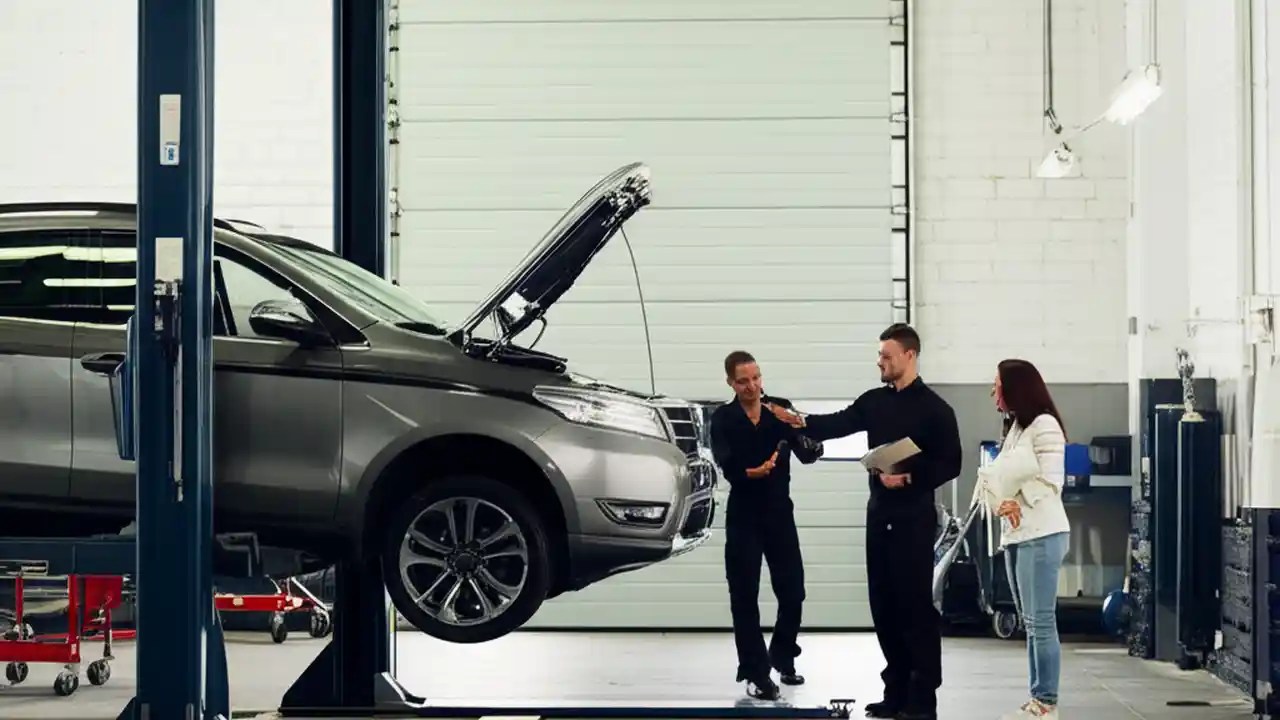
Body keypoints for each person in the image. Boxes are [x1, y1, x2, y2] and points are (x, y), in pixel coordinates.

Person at [766, 323, 961, 720]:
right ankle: (895, 693)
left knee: (915, 610)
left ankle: (922, 700)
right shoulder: (874, 401)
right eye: (879, 356)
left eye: (886, 356)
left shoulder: (937, 409)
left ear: (909, 355)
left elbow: (951, 462)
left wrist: (908, 476)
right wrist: (796, 419)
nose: (880, 362)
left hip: (913, 518)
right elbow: (835, 424)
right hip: (880, 516)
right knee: (884, 607)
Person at [709, 350, 825, 700]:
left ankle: (783, 656)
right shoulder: (724, 419)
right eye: (743, 381)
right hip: (744, 514)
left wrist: (799, 425)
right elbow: (725, 463)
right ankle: (757, 673)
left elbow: (808, 452)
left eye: (756, 378)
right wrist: (750, 473)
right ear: (731, 382)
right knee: (743, 595)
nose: (752, 386)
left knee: (793, 591)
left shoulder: (778, 410)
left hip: (779, 514)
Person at [980, 359, 1071, 720]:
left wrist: (1014, 499)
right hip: (1018, 536)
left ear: (1016, 386)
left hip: (1042, 533)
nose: (993, 391)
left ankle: (1047, 703)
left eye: (997, 383)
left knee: (1041, 622)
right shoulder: (1017, 426)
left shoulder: (1045, 425)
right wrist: (1002, 499)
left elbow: (1051, 481)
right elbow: (1000, 477)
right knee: (1030, 622)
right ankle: (1038, 700)